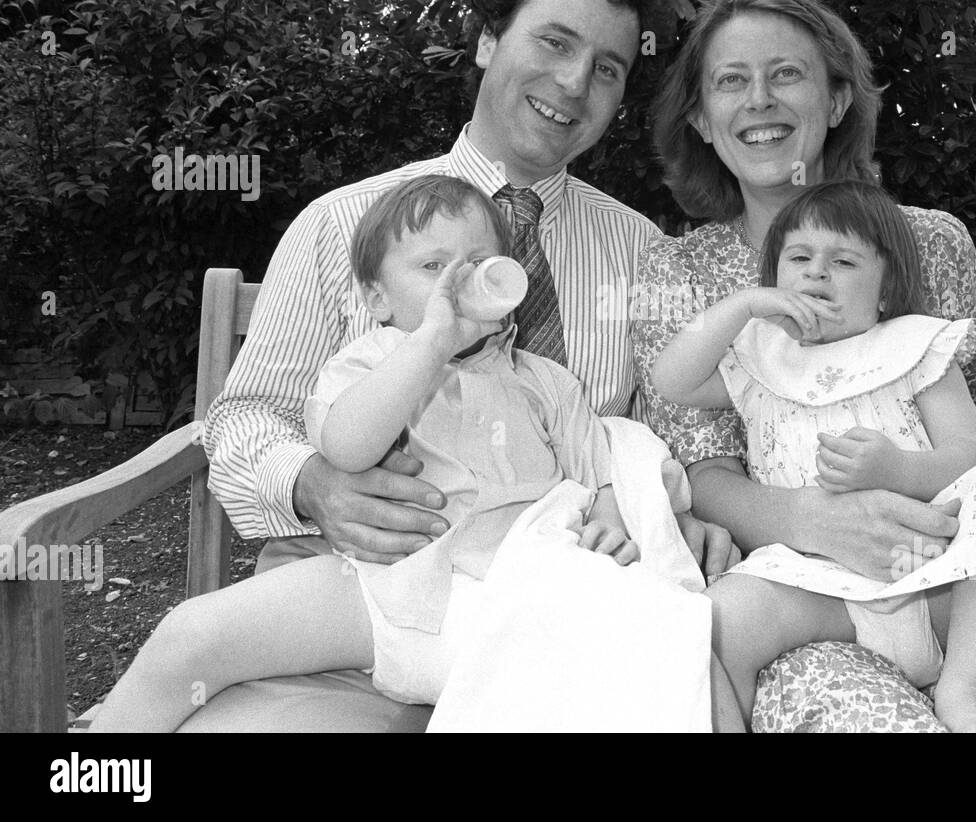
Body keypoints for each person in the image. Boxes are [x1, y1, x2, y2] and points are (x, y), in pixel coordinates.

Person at [194, 0, 734, 732]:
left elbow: (662, 439)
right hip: (355, 617)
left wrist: (663, 511)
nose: (573, 82)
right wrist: (315, 482)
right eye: (553, 41)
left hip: (569, 639)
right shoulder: (343, 224)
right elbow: (240, 419)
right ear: (487, 42)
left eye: (607, 68)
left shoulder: (645, 256)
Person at [631, 0, 976, 732]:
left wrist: (919, 499)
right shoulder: (682, 278)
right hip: (809, 591)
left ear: (835, 100)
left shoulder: (932, 242)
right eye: (730, 80)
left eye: (786, 73)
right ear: (699, 116)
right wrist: (813, 519)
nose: (759, 99)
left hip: (966, 581)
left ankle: (972, 690)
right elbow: (695, 462)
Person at [93, 176, 641, 731]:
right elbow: (348, 449)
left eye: (480, 262)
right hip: (380, 591)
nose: (459, 281)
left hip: (509, 609)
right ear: (377, 297)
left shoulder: (545, 381)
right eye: (433, 267)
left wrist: (610, 517)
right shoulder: (370, 364)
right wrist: (430, 344)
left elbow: (601, 473)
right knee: (193, 634)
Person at [652, 180, 976, 732]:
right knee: (713, 626)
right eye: (799, 258)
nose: (816, 273)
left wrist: (897, 470)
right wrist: (742, 308)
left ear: (886, 289)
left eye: (844, 261)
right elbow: (671, 379)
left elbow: (974, 454)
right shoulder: (759, 358)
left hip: (939, 583)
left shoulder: (912, 347)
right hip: (812, 586)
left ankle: (965, 690)